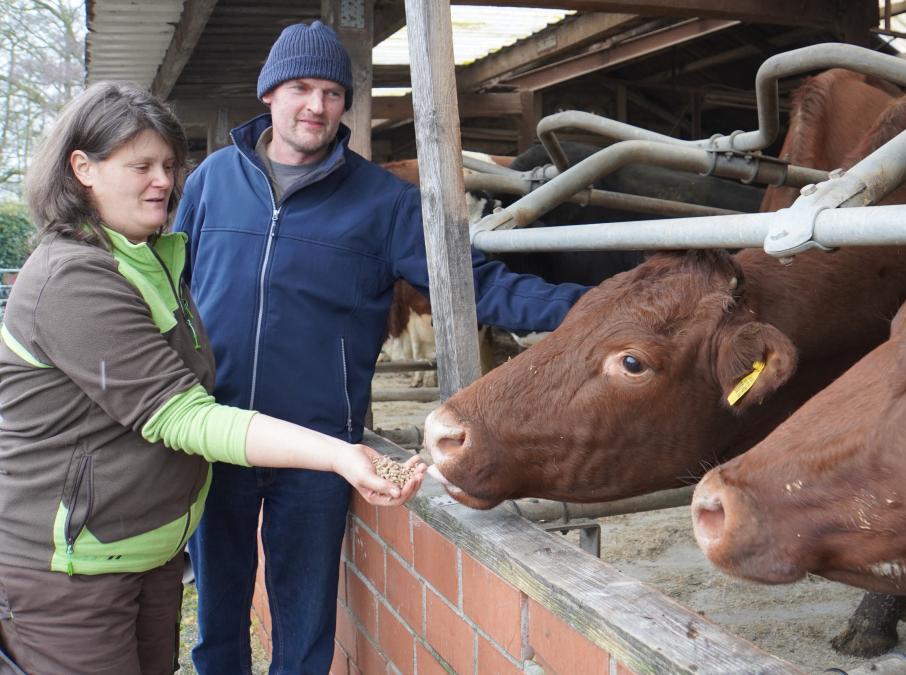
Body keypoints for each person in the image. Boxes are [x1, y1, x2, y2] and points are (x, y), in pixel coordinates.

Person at [175, 19, 588, 674]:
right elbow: (170, 290)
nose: (316, 106)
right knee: (217, 623)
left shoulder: (384, 203)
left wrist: (592, 309)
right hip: (218, 434)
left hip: (320, 448)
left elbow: (474, 286)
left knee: (304, 630)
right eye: (301, 88)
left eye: (333, 93)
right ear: (269, 93)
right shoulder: (210, 183)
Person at [0, 82, 425, 675]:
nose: (163, 182)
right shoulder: (73, 280)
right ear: (83, 169)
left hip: (143, 552)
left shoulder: (153, 261)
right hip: (71, 568)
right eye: (141, 166)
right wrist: (338, 454)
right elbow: (181, 413)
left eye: (169, 165)